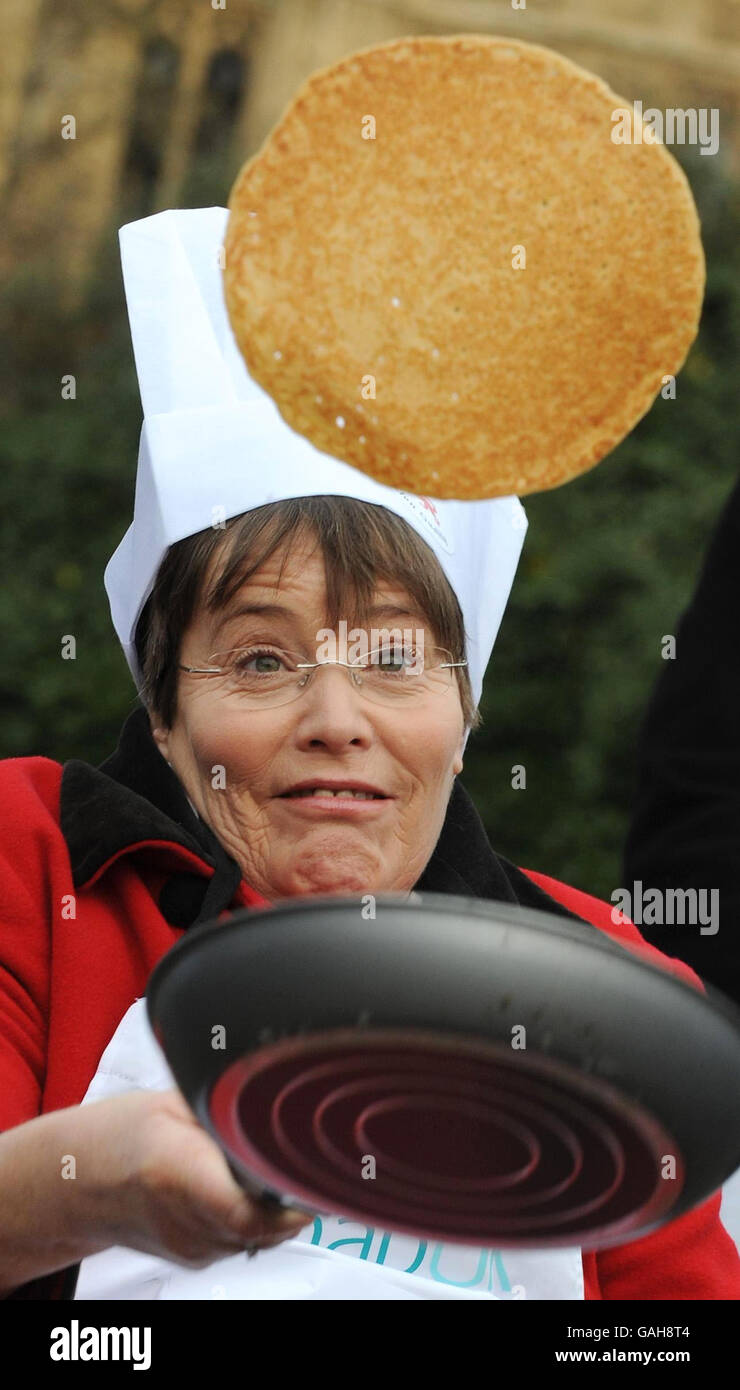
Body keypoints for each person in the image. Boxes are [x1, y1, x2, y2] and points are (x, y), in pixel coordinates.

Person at [0, 209, 738, 1302]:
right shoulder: (36, 865)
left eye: (392, 657)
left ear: (463, 708)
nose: (334, 716)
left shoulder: (613, 987)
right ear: (163, 713)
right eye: (259, 661)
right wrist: (93, 1188)